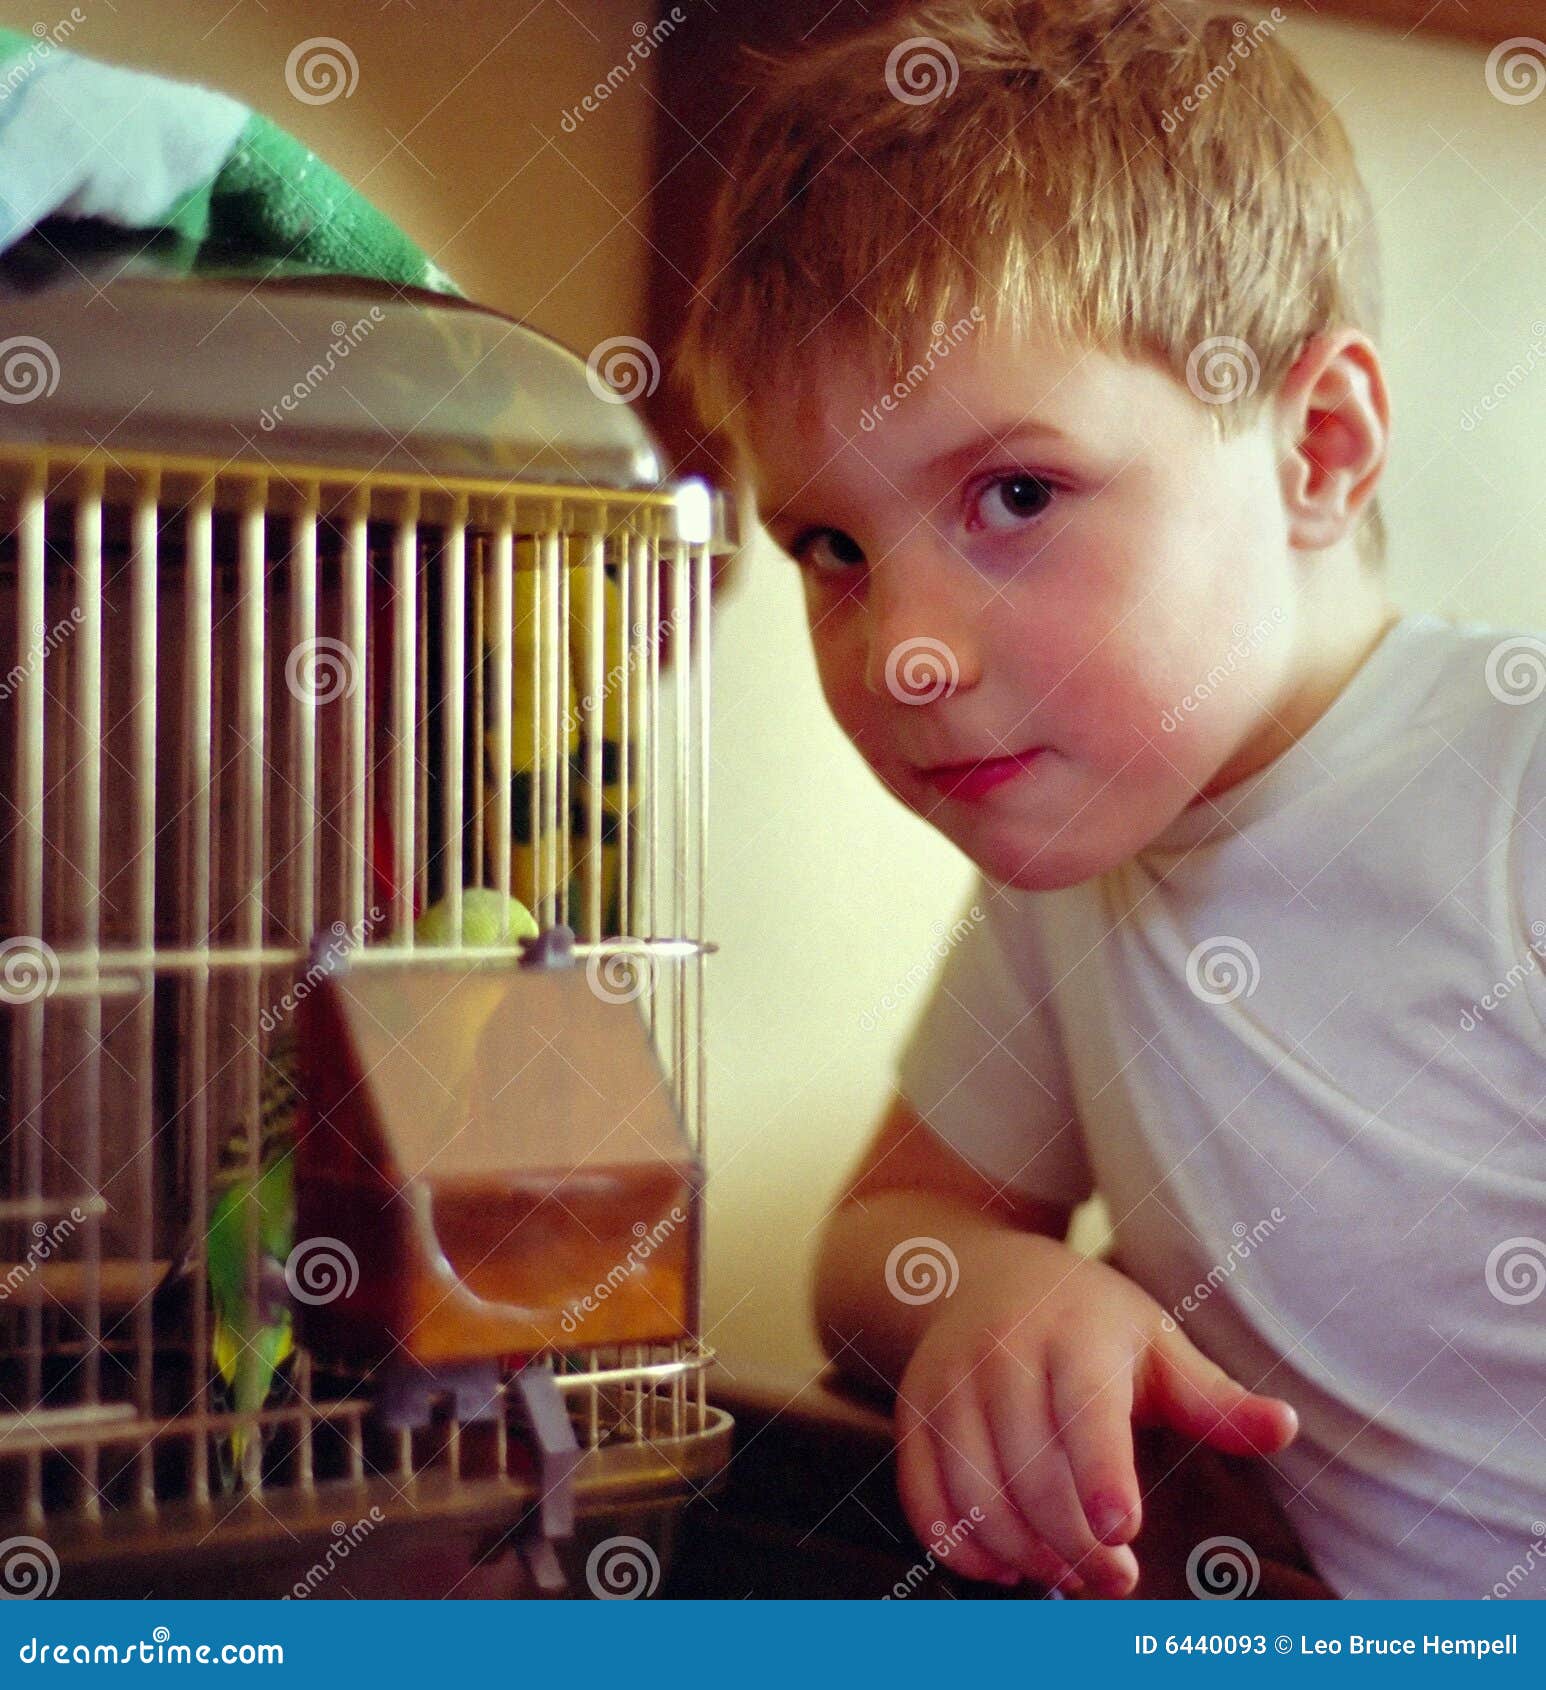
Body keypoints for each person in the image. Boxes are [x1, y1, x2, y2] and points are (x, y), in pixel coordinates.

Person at [674, 0, 1546, 1600]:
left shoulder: (1513, 785)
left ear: (1320, 445)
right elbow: (879, 1236)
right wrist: (996, 1291)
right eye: (831, 550)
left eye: (1015, 494)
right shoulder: (1072, 849)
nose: (906, 656)